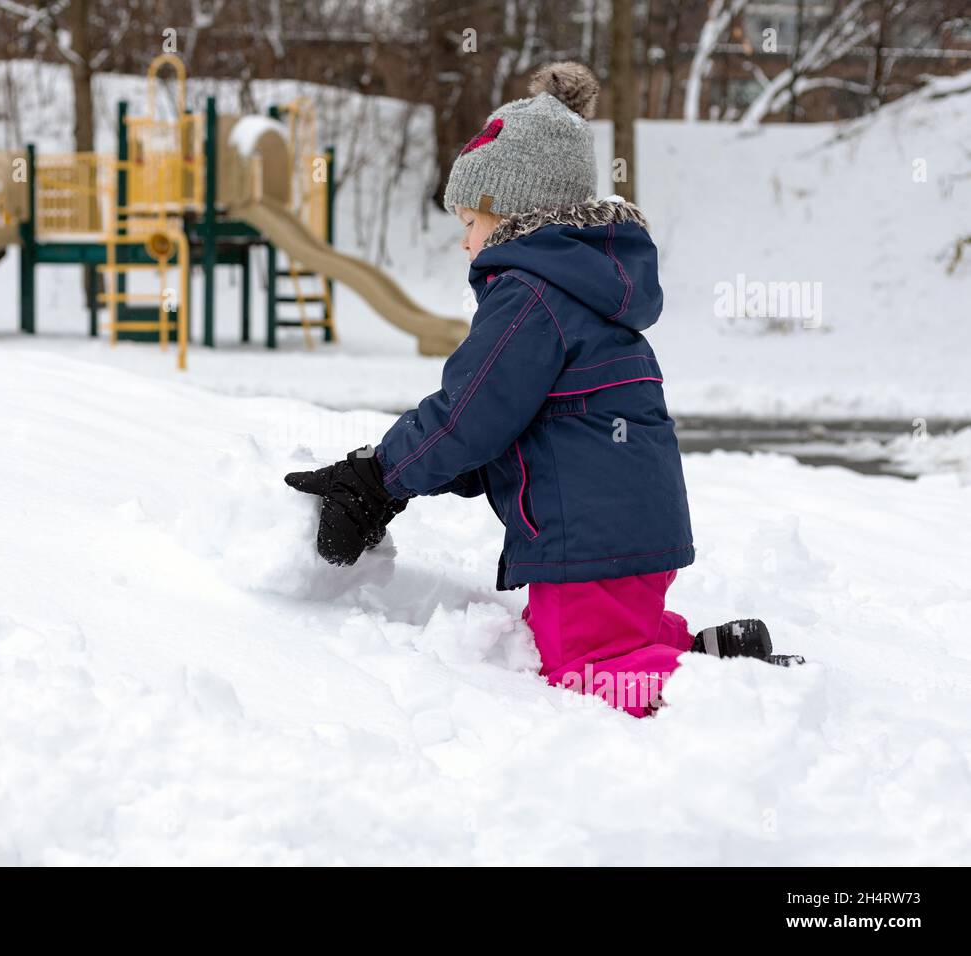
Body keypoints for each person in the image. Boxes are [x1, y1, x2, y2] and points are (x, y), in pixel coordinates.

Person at [285, 62, 800, 718]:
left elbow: (468, 418)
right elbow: (498, 433)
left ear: (509, 216)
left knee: (585, 669)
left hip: (590, 534)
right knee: (609, 634)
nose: (463, 243)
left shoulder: (529, 296)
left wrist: (377, 478)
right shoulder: (574, 291)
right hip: (623, 524)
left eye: (469, 222)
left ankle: (736, 700)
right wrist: (395, 478)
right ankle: (710, 658)